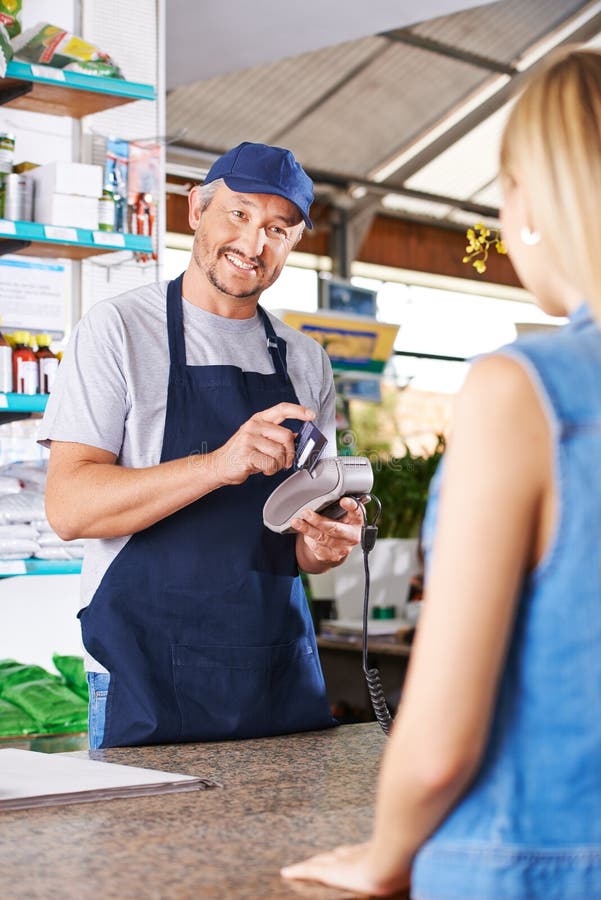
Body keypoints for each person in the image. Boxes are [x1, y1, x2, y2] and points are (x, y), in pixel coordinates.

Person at [281, 45, 601, 899]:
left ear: (533, 197)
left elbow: (443, 736)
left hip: (538, 863)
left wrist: (385, 855)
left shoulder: (523, 390)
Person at [39, 141, 362, 750]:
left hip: (276, 671)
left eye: (277, 228)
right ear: (196, 210)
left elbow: (300, 545)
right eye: (238, 214)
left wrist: (323, 546)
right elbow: (69, 507)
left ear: (292, 243)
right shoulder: (118, 331)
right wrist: (219, 464)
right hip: (146, 674)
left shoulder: (305, 361)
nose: (254, 242)